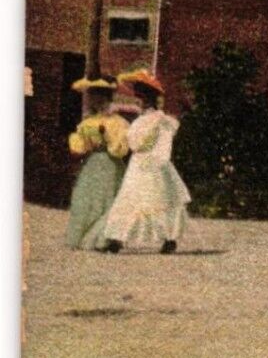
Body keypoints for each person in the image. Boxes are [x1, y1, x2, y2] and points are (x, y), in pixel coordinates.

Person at [101, 69, 190, 254]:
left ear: (150, 98)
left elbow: (144, 142)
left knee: (158, 200)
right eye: (139, 96)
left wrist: (136, 139)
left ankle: (169, 238)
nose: (140, 100)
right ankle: (117, 239)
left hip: (152, 163)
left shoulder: (157, 119)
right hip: (140, 163)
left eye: (143, 96)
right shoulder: (142, 118)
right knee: (130, 198)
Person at [64, 77, 130, 251]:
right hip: (93, 163)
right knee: (88, 199)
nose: (94, 100)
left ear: (106, 98)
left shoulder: (117, 122)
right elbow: (79, 147)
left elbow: (120, 149)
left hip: (111, 164)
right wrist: (84, 140)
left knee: (109, 199)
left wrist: (107, 137)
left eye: (98, 97)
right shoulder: (88, 122)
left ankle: (106, 239)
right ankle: (87, 237)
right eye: (92, 96)